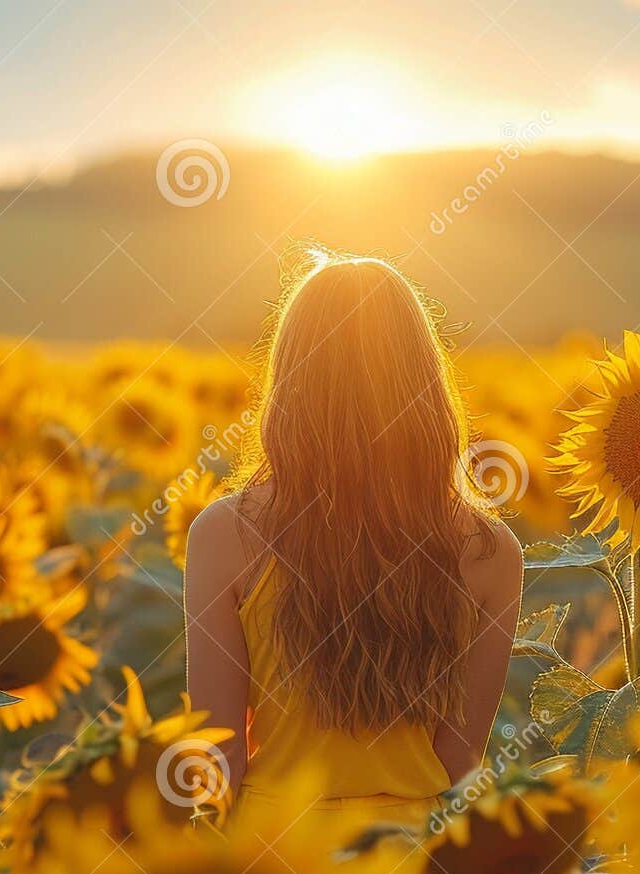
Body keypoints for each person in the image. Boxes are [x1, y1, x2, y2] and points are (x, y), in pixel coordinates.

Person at [184, 250, 522, 825]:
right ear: (426, 383)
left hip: (278, 866)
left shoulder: (225, 534)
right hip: (412, 865)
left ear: (289, 381)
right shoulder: (490, 551)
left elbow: (221, 755)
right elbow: (458, 763)